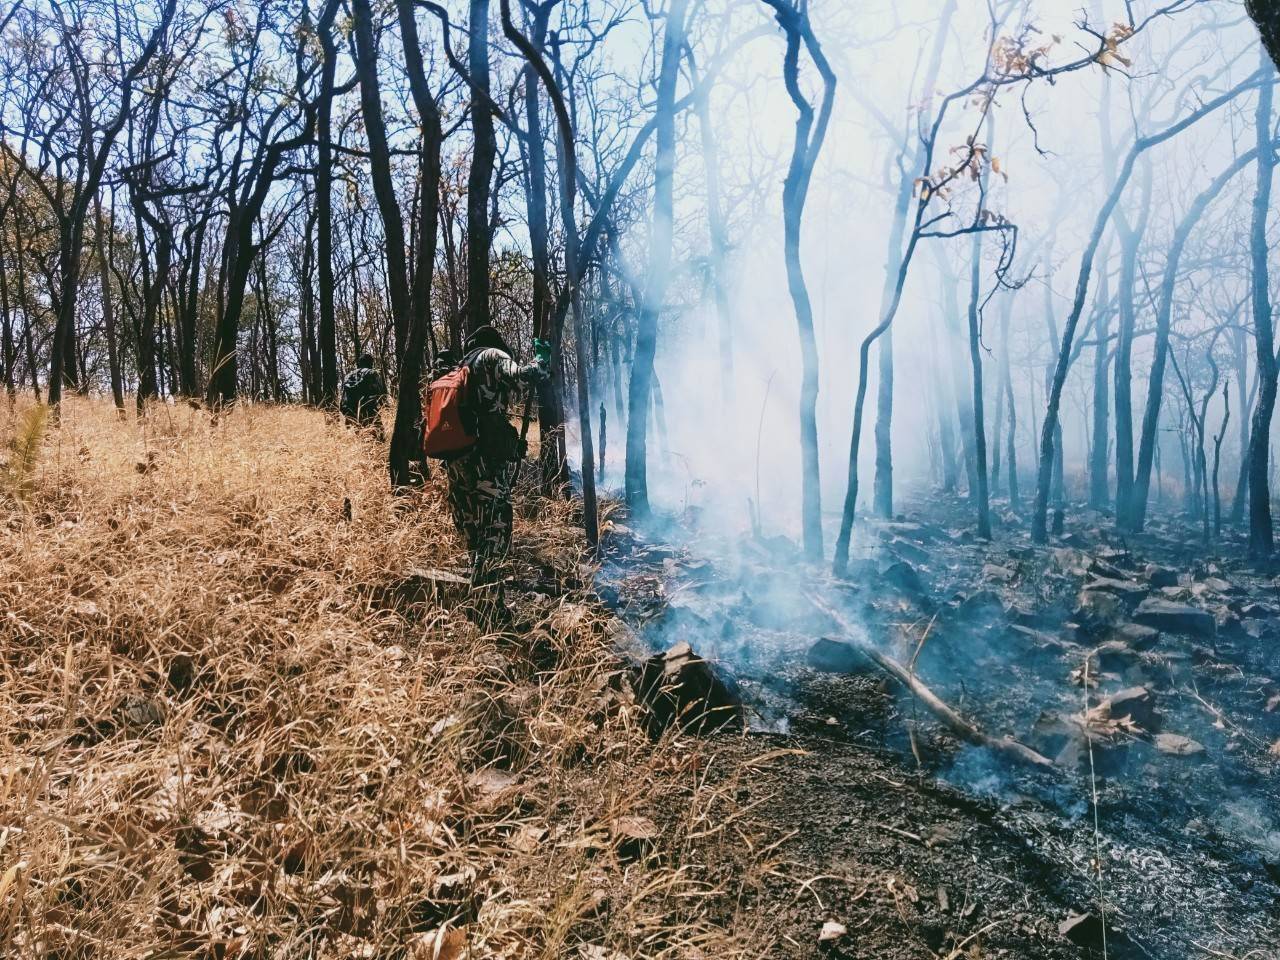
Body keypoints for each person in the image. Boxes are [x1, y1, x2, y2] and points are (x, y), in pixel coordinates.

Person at [443, 326, 547, 590]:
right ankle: (489, 602)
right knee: (496, 527)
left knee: (474, 533)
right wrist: (540, 361)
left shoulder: (460, 366)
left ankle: (477, 596)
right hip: (484, 463)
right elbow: (521, 378)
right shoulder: (492, 356)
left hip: (456, 461)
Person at [340, 353, 386, 437]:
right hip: (368, 411)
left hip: (350, 411)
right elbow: (380, 393)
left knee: (360, 437)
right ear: (371, 363)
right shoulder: (372, 373)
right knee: (379, 438)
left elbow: (343, 397)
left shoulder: (348, 376)